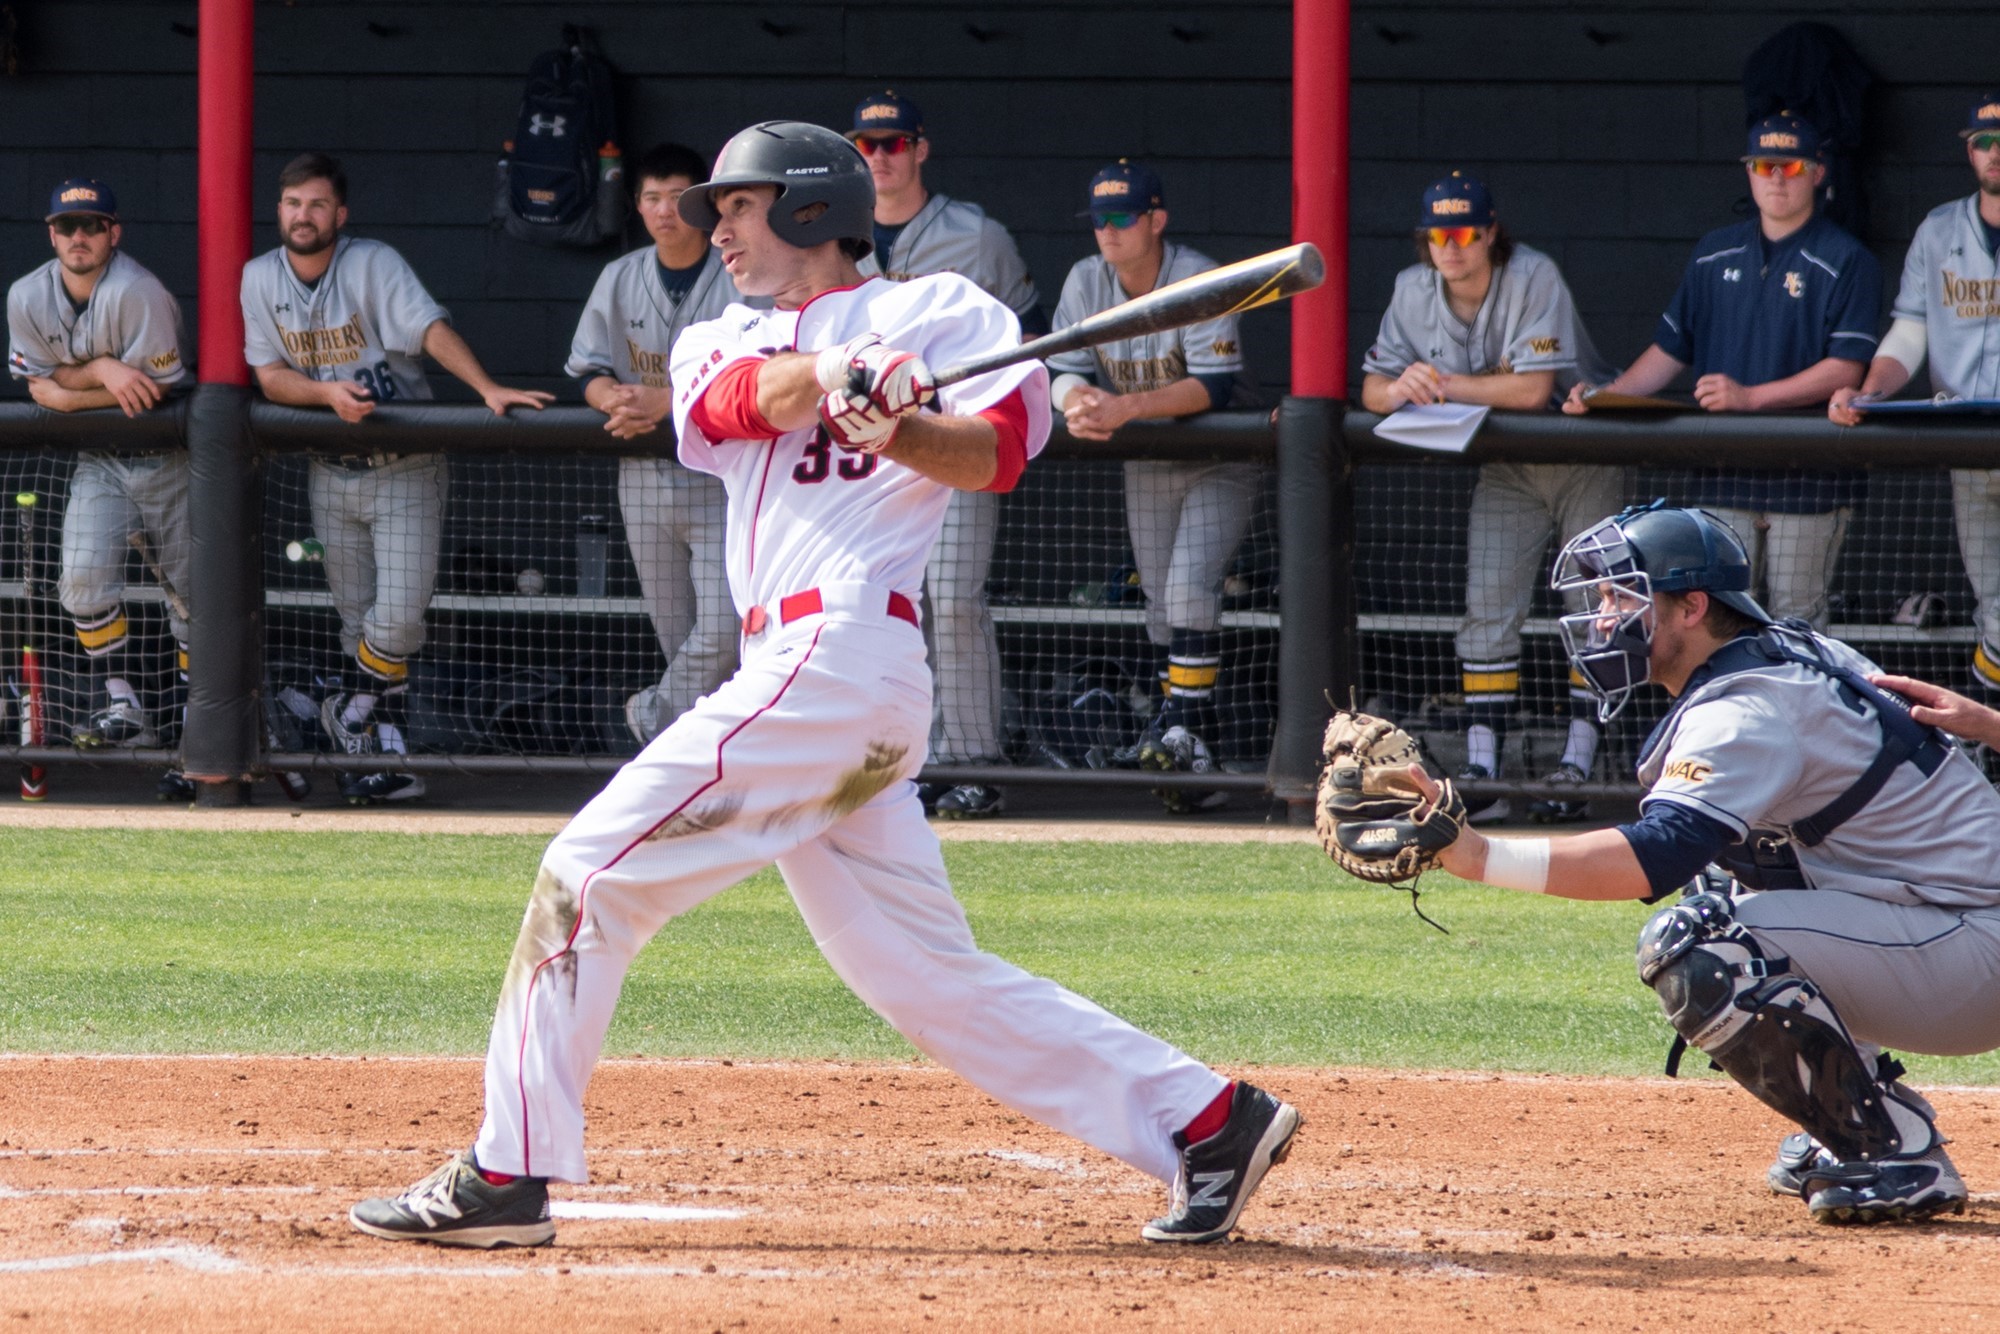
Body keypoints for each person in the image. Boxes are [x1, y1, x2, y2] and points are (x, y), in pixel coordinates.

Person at [347, 121, 1298, 1251]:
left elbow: (992, 454)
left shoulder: (948, 312)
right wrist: (837, 376)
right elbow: (739, 401)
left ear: (807, 209)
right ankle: (1206, 1118)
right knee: (922, 975)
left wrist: (898, 422)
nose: (718, 232)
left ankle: (507, 1171)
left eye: (737, 209)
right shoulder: (716, 333)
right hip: (811, 678)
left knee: (585, 875)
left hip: (842, 652)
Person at [1412, 502, 2000, 1225]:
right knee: (1726, 877)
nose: (1602, 619)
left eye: (1622, 597)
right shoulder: (1780, 653)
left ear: (1692, 607)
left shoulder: (1745, 709)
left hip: (1971, 944)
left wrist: (1479, 857)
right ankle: (1867, 1107)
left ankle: (1897, 1151)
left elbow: (1653, 855)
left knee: (1699, 944)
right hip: (1945, 928)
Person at [240, 152, 552, 803]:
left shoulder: (370, 262)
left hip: (404, 465)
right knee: (358, 624)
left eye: (318, 204)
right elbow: (268, 378)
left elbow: (429, 328)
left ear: (340, 214)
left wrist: (486, 386)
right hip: (331, 471)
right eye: (294, 203)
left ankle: (344, 709)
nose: (305, 215)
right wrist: (326, 394)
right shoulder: (258, 278)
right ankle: (384, 754)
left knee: (400, 617)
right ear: (280, 211)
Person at [1361, 172, 1620, 825]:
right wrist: (1398, 389)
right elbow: (1371, 389)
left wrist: (1439, 383)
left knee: (1591, 610)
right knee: (1487, 608)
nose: (1452, 247)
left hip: (1580, 454)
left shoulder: (1534, 275)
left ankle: (1578, 764)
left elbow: (1533, 391)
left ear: (1490, 233)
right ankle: (1482, 765)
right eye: (1439, 234)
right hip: (1505, 466)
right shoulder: (1411, 290)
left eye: (1465, 232)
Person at [1566, 114, 1880, 630]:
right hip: (1722, 473)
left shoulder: (1848, 258)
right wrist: (1603, 397)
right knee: (1720, 620)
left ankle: (1795, 714)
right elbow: (1669, 350)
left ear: (1818, 172)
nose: (1776, 177)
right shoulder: (1714, 252)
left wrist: (1749, 398)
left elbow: (1846, 367)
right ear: (1750, 172)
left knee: (1798, 623)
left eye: (1792, 165)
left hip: (1809, 476)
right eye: (1764, 165)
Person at [848, 90, 1045, 821]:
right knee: (875, 603)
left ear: (920, 149)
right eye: (865, 144)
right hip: (866, 452)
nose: (879, 157)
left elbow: (1028, 333)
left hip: (953, 437)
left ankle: (972, 758)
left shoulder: (976, 235)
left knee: (954, 600)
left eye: (893, 143)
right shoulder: (832, 230)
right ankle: (896, 761)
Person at [1048, 161, 1254, 813]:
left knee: (1189, 591)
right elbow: (1057, 366)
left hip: (1221, 453)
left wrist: (1124, 407)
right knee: (1162, 609)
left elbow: (1212, 387)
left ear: (1155, 220)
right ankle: (1190, 741)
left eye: (1122, 217)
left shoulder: (1196, 275)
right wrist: (1075, 397)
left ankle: (1186, 734)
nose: (1107, 231)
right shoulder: (1087, 279)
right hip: (1149, 460)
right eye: (1099, 220)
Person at [5, 178, 193, 800]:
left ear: (114, 232)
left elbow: (149, 394)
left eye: (91, 226)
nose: (77, 236)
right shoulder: (27, 294)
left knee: (193, 600)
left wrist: (69, 387)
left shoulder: (138, 292)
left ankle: (200, 720)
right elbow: (38, 386)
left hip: (169, 458)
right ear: (50, 232)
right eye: (66, 226)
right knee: (81, 580)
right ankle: (123, 703)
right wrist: (107, 372)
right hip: (102, 460)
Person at [567, 142, 741, 747]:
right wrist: (615, 401)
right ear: (637, 206)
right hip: (641, 475)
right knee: (677, 632)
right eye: (651, 198)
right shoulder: (619, 276)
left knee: (725, 629)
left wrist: (662, 403)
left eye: (676, 197)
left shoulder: (738, 271)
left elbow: (762, 374)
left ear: (701, 204)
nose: (664, 210)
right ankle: (698, 758)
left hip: (723, 478)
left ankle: (652, 716)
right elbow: (587, 372)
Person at [1830, 96, 2000, 708]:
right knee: (1997, 608)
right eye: (1984, 140)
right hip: (1967, 443)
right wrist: (1870, 391)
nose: (1995, 151)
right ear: (1969, 149)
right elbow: (1910, 329)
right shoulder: (1939, 229)